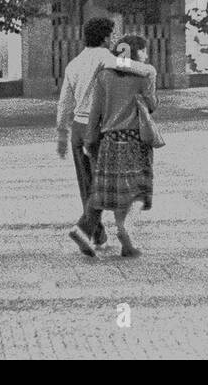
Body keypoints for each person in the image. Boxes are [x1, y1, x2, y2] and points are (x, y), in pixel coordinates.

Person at [58, 17, 154, 256]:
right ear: (103, 37)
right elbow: (137, 67)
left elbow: (64, 102)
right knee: (102, 185)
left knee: (86, 185)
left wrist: (62, 132)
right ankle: (84, 230)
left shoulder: (73, 63)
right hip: (96, 127)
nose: (112, 39)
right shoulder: (106, 58)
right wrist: (149, 70)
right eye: (111, 35)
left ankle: (98, 235)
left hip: (76, 130)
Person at [84, 35, 158, 259]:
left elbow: (95, 111)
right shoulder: (146, 74)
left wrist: (89, 139)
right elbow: (152, 105)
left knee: (114, 190)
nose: (146, 55)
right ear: (136, 53)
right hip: (135, 141)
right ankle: (124, 231)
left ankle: (93, 232)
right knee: (134, 191)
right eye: (144, 51)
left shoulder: (104, 76)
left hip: (109, 142)